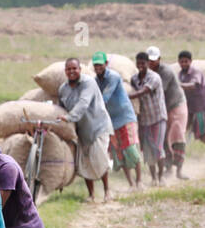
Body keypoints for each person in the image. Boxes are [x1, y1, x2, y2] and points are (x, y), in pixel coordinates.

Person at [57, 57, 113, 203]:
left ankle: (107, 191)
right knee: (85, 163)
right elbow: (60, 107)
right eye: (68, 69)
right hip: (81, 131)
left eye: (74, 68)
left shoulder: (89, 83)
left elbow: (83, 103)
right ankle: (91, 195)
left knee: (100, 159)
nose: (71, 71)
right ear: (65, 71)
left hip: (98, 127)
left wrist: (69, 117)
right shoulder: (63, 89)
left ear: (79, 69)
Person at [94, 51, 142, 187]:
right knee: (118, 153)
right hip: (111, 121)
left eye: (100, 64)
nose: (98, 67)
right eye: (96, 65)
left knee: (131, 149)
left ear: (106, 64)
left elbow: (105, 97)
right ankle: (131, 183)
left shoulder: (113, 77)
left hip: (125, 117)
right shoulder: (95, 81)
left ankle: (139, 181)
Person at [147, 47, 188, 179]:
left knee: (178, 137)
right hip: (163, 109)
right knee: (164, 138)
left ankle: (179, 171)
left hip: (176, 106)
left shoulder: (165, 72)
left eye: (154, 60)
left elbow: (159, 91)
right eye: (149, 60)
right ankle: (168, 168)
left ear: (159, 59)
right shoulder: (147, 73)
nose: (151, 63)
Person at [129, 51, 168, 186]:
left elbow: (144, 91)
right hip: (144, 119)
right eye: (138, 63)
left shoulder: (154, 77)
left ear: (148, 64)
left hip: (158, 117)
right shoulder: (134, 79)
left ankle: (161, 176)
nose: (140, 66)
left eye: (143, 63)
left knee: (157, 147)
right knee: (148, 150)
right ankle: (153, 178)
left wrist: (128, 96)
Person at [178, 49, 205, 160]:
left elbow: (193, 85)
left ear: (190, 61)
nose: (184, 64)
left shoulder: (196, 73)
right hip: (195, 107)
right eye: (182, 61)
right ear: (179, 62)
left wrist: (179, 85)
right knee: (199, 135)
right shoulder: (180, 75)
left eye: (186, 61)